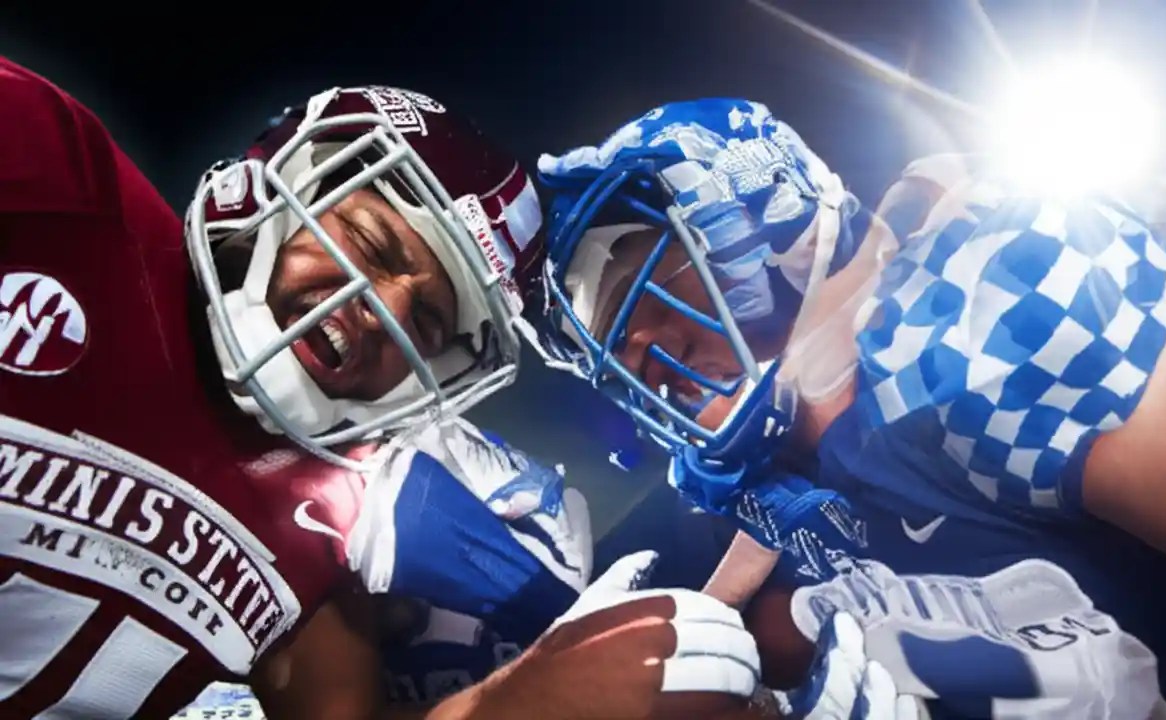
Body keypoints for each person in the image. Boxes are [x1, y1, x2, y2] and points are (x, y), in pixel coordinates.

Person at [0, 60, 761, 719]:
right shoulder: (54, 172)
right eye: (369, 243)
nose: (386, 310)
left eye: (427, 322)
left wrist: (522, 699)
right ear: (274, 189)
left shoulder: (332, 523)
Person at [529, 98, 1166, 718]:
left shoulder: (965, 337)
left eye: (641, 289)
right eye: (608, 344)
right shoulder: (765, 513)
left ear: (760, 216)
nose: (633, 351)